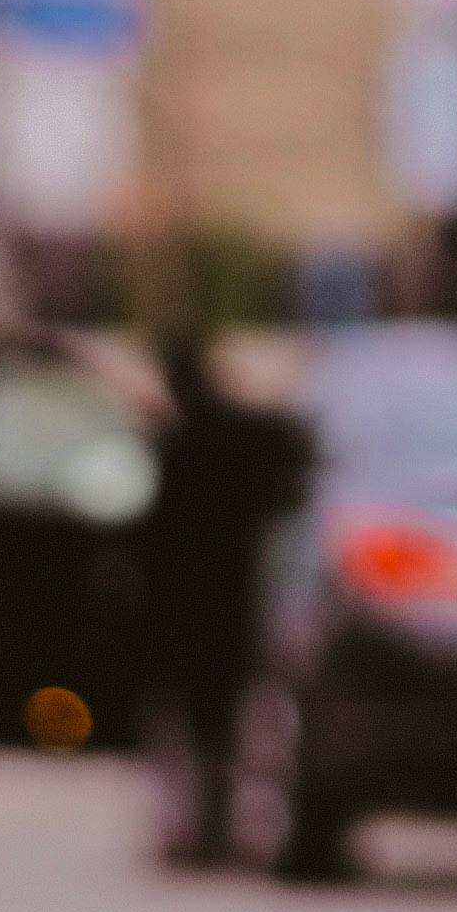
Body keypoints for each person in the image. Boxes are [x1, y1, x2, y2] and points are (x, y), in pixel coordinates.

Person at [139, 334, 306, 868]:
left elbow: (155, 533)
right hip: (231, 603)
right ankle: (221, 826)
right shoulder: (240, 432)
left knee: (193, 724)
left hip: (184, 609)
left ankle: (198, 829)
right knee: (227, 724)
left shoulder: (182, 440)